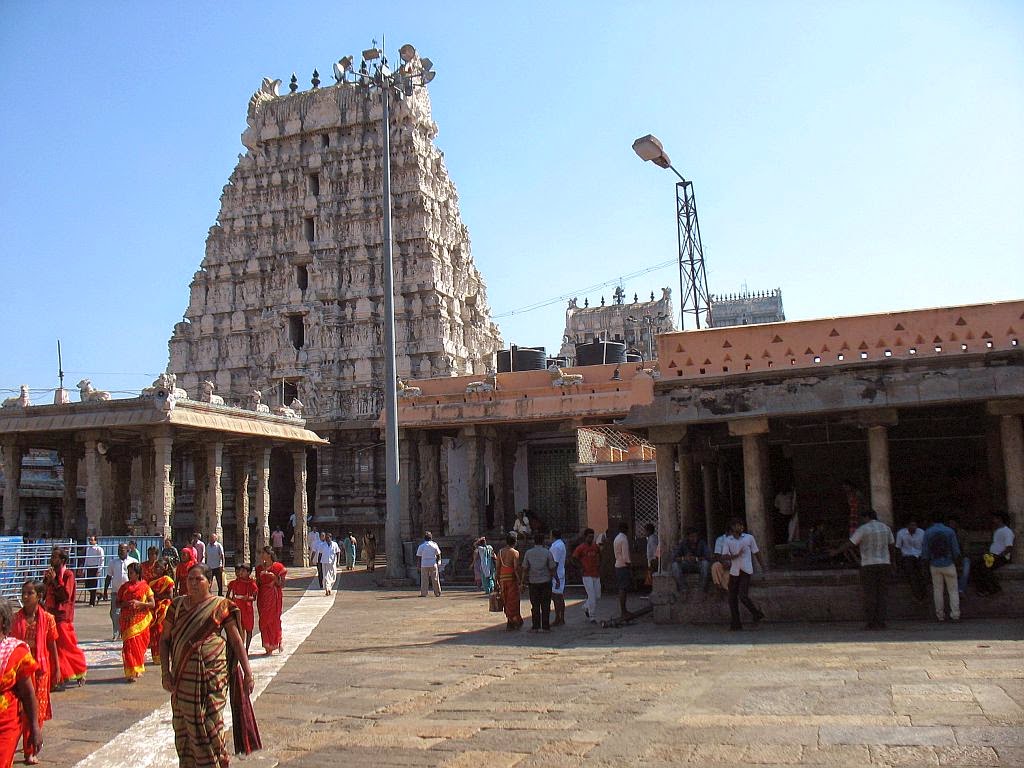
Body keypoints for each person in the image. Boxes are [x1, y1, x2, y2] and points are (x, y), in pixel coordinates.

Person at [160, 564, 259, 767]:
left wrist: (248, 672)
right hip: (182, 679)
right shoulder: (176, 606)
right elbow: (164, 640)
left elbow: (236, 640)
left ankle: (216, 761)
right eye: (190, 579)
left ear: (210, 582)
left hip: (212, 676)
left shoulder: (221, 606)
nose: (193, 584)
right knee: (184, 728)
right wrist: (165, 672)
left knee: (211, 724)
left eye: (199, 579)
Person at [12, 582, 57, 766]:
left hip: (40, 672)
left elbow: (52, 645)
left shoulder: (47, 619)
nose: (25, 597)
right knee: (18, 710)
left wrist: (57, 669)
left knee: (35, 712)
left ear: (39, 596)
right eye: (23, 593)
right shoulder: (15, 619)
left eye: (29, 593)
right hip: (20, 671)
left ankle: (30, 750)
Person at [834, 509, 895, 630]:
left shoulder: (863, 529)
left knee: (870, 594)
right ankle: (881, 621)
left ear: (866, 517)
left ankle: (871, 622)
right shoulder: (886, 528)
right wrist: (893, 562)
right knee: (882, 594)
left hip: (868, 564)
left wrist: (836, 551)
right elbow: (892, 545)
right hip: (884, 563)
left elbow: (851, 543)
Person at [0, 598, 42, 768]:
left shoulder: (16, 652)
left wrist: (34, 727)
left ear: (3, 620)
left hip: (5, 724)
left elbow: (28, 694)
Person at [42, 547, 87, 687]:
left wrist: (55, 581)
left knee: (67, 647)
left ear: (62, 560)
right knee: (51, 647)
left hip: (62, 617)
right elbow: (43, 593)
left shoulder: (68, 575)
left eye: (55, 557)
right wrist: (46, 581)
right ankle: (57, 676)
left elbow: (65, 596)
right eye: (51, 556)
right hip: (50, 615)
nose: (51, 559)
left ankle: (80, 669)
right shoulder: (50, 574)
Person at [720, 519, 767, 631]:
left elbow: (756, 552)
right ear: (732, 527)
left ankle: (756, 613)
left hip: (746, 570)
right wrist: (735, 556)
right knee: (732, 598)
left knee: (742, 595)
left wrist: (763, 566)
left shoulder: (749, 538)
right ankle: (736, 623)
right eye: (738, 525)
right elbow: (724, 556)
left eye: (741, 525)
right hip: (734, 571)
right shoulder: (728, 540)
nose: (740, 527)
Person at [117, 562, 155, 682]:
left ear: (138, 574)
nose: (129, 575)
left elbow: (152, 604)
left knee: (139, 646)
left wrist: (140, 604)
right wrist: (126, 604)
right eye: (128, 572)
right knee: (128, 647)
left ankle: (137, 668)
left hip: (140, 622)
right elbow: (117, 603)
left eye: (131, 573)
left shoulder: (145, 587)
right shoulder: (124, 587)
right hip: (127, 621)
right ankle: (130, 671)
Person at [923, 517, 961, 622]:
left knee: (938, 591)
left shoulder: (928, 532)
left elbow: (925, 552)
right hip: (948, 563)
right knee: (953, 591)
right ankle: (955, 614)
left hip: (934, 564)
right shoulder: (950, 531)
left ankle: (940, 615)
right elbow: (956, 550)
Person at [520, 532, 558, 632]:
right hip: (546, 581)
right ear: (543, 541)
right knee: (546, 605)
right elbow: (552, 568)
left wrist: (522, 582)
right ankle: (546, 626)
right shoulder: (547, 552)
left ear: (534, 541)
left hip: (533, 582)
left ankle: (535, 626)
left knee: (535, 605)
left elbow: (524, 568)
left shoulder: (529, 553)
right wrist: (557, 579)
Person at [255, 547, 286, 655]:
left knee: (274, 619)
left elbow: (281, 584)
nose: (262, 555)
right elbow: (257, 583)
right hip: (263, 596)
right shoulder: (259, 568)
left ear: (269, 554)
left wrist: (274, 577)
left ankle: (276, 642)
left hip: (274, 595)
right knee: (263, 619)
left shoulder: (278, 567)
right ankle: (267, 645)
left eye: (264, 553)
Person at [975, 512, 1015, 596]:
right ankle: (982, 589)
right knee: (975, 565)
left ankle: (995, 589)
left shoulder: (1007, 531)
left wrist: (998, 556)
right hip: (991, 555)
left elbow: (1009, 547)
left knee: (984, 568)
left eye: (995, 518)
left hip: (1001, 557)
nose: (993, 520)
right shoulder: (997, 530)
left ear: (999, 519)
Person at [106, 543, 138, 640]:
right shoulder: (113, 562)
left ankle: (128, 632)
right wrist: (105, 591)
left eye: (122, 550)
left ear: (127, 550)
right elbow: (108, 577)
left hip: (130, 592)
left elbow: (139, 577)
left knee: (130, 613)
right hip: (116, 592)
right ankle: (116, 632)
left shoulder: (133, 561)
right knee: (114, 613)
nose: (120, 551)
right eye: (119, 550)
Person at [571, 529, 601, 623]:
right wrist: (580, 567)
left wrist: (599, 565)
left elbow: (600, 555)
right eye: (589, 537)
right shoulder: (581, 548)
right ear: (585, 537)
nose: (591, 538)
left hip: (595, 573)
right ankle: (592, 616)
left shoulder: (595, 546)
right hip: (586, 574)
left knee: (597, 595)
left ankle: (586, 606)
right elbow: (574, 558)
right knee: (591, 595)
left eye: (592, 537)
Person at [148, 560, 175, 664]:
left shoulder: (167, 580)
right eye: (155, 567)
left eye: (159, 567)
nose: (156, 569)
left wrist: (158, 596)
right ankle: (156, 657)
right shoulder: (151, 582)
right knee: (154, 633)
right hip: (154, 608)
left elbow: (170, 596)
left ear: (165, 568)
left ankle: (164, 655)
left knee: (161, 631)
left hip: (164, 608)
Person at [227, 564, 258, 651]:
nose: (241, 573)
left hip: (247, 610)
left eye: (243, 571)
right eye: (240, 571)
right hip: (237, 609)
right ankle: (240, 648)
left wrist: (247, 598)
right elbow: (229, 595)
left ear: (248, 573)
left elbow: (254, 598)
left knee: (249, 629)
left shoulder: (252, 584)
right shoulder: (236, 582)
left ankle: (247, 649)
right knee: (239, 629)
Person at [895, 518, 927, 600]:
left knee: (922, 574)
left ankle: (923, 593)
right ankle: (916, 594)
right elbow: (898, 547)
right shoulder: (901, 533)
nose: (913, 527)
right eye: (911, 525)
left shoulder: (921, 532)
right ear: (907, 526)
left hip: (919, 555)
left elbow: (925, 546)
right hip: (907, 556)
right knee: (911, 574)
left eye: (915, 525)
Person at [672, 527, 711, 594]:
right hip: (686, 565)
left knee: (705, 564)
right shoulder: (683, 544)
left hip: (697, 565)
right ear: (688, 537)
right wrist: (684, 558)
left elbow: (708, 556)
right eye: (692, 536)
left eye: (696, 536)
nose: (694, 538)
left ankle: (701, 589)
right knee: (675, 565)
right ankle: (683, 588)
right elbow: (674, 558)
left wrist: (696, 558)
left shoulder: (701, 543)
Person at [496, 534, 523, 631]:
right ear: (515, 541)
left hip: (502, 580)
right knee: (513, 601)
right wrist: (521, 581)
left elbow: (498, 568)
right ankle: (514, 621)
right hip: (512, 579)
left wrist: (496, 581)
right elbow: (516, 568)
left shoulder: (500, 552)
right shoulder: (515, 553)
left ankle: (509, 620)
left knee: (506, 601)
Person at [613, 521, 633, 620]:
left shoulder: (617, 538)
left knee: (622, 588)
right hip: (623, 566)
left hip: (618, 564)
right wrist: (630, 566)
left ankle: (624, 610)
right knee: (623, 589)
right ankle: (623, 611)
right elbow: (626, 556)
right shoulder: (624, 539)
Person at [946, 515, 971, 595]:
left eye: (953, 523)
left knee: (966, 568)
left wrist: (960, 556)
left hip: (962, 556)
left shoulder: (963, 533)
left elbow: (966, 548)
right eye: (950, 523)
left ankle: (960, 590)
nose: (951, 525)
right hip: (949, 557)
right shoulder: (945, 534)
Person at [549, 530, 567, 626]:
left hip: (557, 574)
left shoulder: (556, 547)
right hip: (559, 573)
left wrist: (554, 576)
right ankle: (560, 617)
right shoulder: (560, 545)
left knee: (557, 597)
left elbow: (554, 563)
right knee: (559, 596)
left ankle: (558, 618)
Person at [416, 532, 442, 597]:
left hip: (424, 564)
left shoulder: (421, 546)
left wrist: (418, 565)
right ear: (431, 538)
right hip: (433, 563)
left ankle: (424, 593)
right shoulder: (434, 545)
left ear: (424, 538)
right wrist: (439, 561)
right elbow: (438, 554)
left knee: (424, 580)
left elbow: (419, 557)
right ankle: (437, 592)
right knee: (435, 579)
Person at [82, 536, 105, 606]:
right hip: (89, 567)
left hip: (95, 567)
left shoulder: (99, 549)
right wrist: (84, 569)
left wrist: (99, 570)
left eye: (92, 540)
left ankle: (92, 602)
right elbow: (86, 559)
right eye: (90, 540)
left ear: (96, 541)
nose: (90, 541)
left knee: (93, 585)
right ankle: (99, 594)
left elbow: (102, 560)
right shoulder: (88, 549)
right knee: (88, 585)